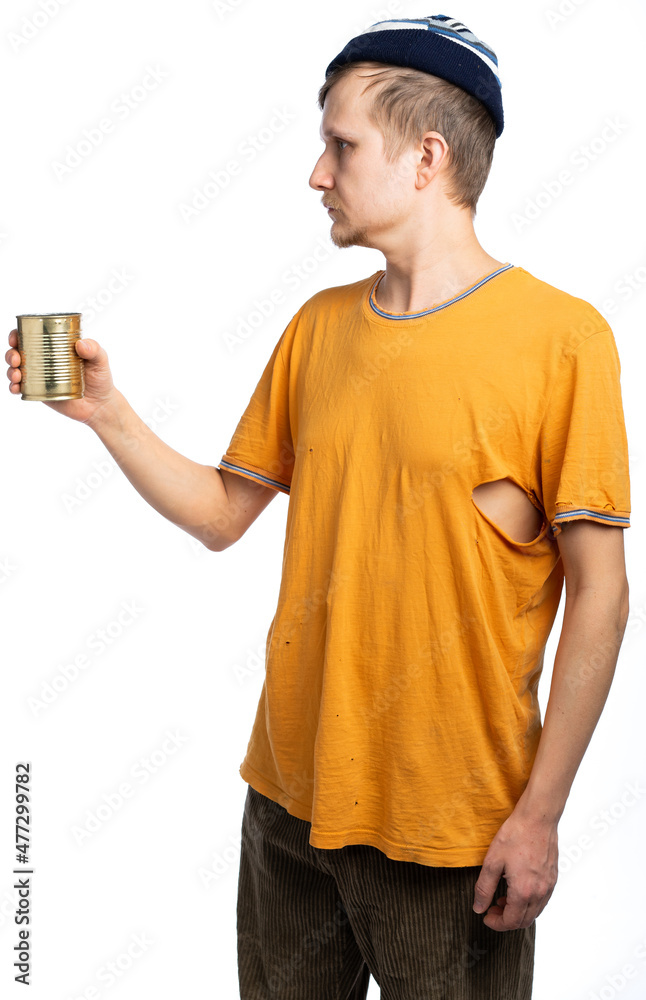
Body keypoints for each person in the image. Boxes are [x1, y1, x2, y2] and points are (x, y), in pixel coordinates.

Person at [6, 14, 631, 1000]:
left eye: (340, 145)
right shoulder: (317, 327)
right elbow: (222, 513)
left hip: (450, 835)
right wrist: (106, 412)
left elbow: (601, 593)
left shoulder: (562, 340)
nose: (316, 173)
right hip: (287, 807)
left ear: (426, 157)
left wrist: (540, 814)